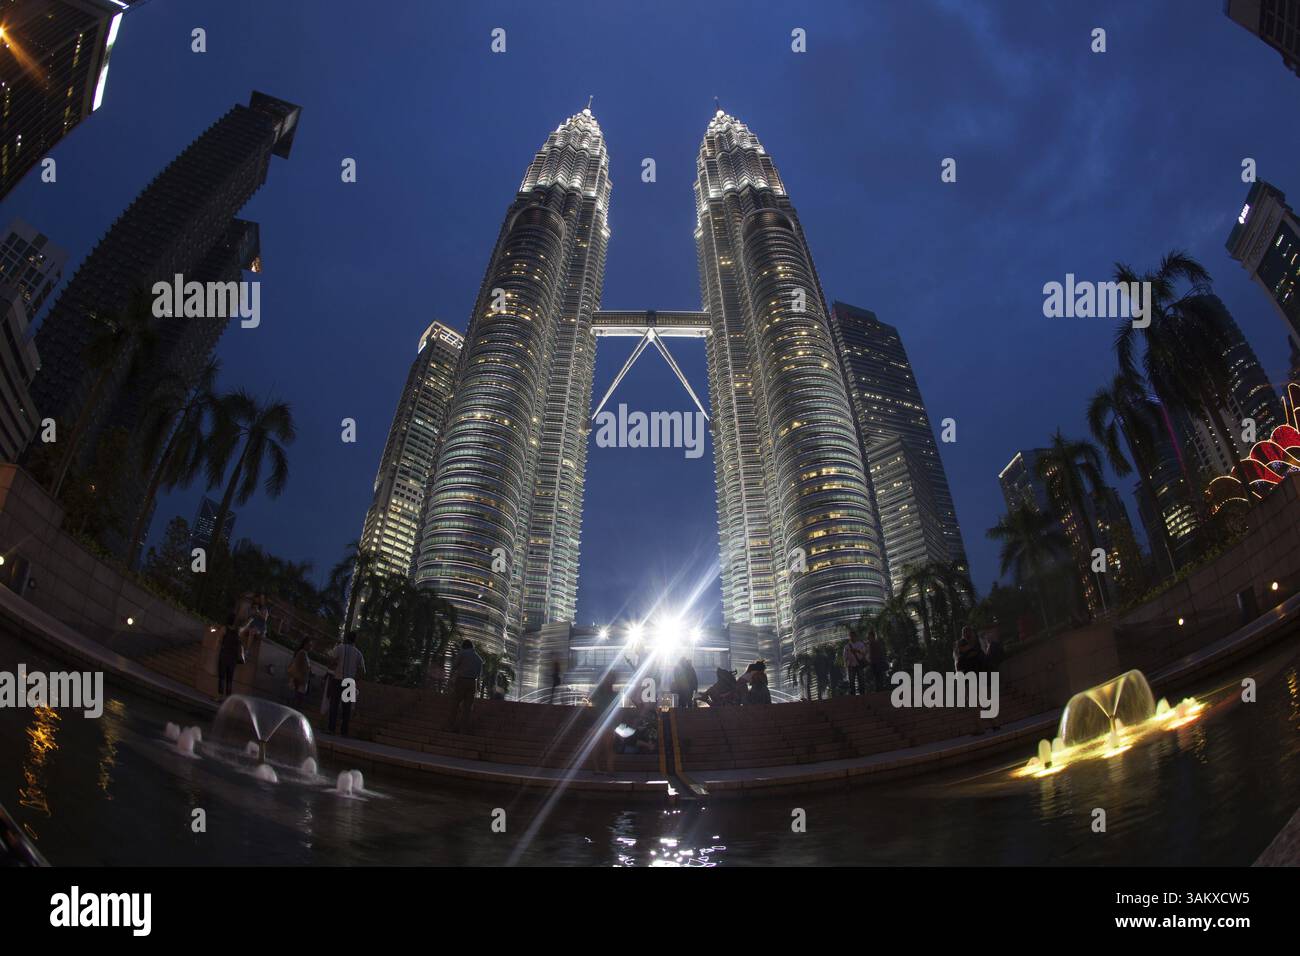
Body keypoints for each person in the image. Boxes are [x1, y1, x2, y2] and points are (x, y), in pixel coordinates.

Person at [327, 631, 366, 736]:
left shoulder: (340, 648)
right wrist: (356, 679)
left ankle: (331, 728)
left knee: (334, 704)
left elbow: (331, 658)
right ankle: (344, 731)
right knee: (346, 708)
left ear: (347, 638)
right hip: (350, 682)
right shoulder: (358, 653)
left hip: (338, 678)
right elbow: (362, 671)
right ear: (355, 640)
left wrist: (334, 666)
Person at [446, 640, 483, 733]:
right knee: (467, 707)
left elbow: (454, 665)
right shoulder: (479, 659)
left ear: (464, 646)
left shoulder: (463, 653)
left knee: (455, 703)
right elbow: (479, 675)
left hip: (461, 680)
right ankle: (463, 728)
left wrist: (451, 678)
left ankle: (450, 726)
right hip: (472, 683)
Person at [588, 672, 618, 773]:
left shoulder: (606, 693)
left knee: (603, 747)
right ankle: (608, 770)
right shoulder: (613, 694)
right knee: (607, 748)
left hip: (602, 723)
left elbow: (589, 702)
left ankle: (602, 769)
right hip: (605, 723)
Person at [217, 614, 241, 699]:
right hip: (233, 658)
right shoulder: (237, 631)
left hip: (224, 655)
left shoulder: (224, 629)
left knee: (222, 677)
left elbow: (219, 640)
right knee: (229, 679)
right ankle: (227, 699)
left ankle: (220, 696)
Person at [287, 638, 310, 709]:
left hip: (301, 681)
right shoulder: (302, 653)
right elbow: (298, 666)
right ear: (305, 644)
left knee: (297, 700)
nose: (311, 647)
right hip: (299, 681)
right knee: (296, 701)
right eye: (309, 645)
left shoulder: (304, 654)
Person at [844, 631, 869, 696]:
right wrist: (847, 664)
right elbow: (845, 656)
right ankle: (853, 696)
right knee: (852, 682)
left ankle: (862, 695)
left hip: (859, 665)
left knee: (861, 681)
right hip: (851, 666)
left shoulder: (860, 644)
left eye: (853, 636)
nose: (852, 637)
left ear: (855, 636)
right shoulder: (847, 646)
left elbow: (865, 652)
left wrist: (857, 651)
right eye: (851, 636)